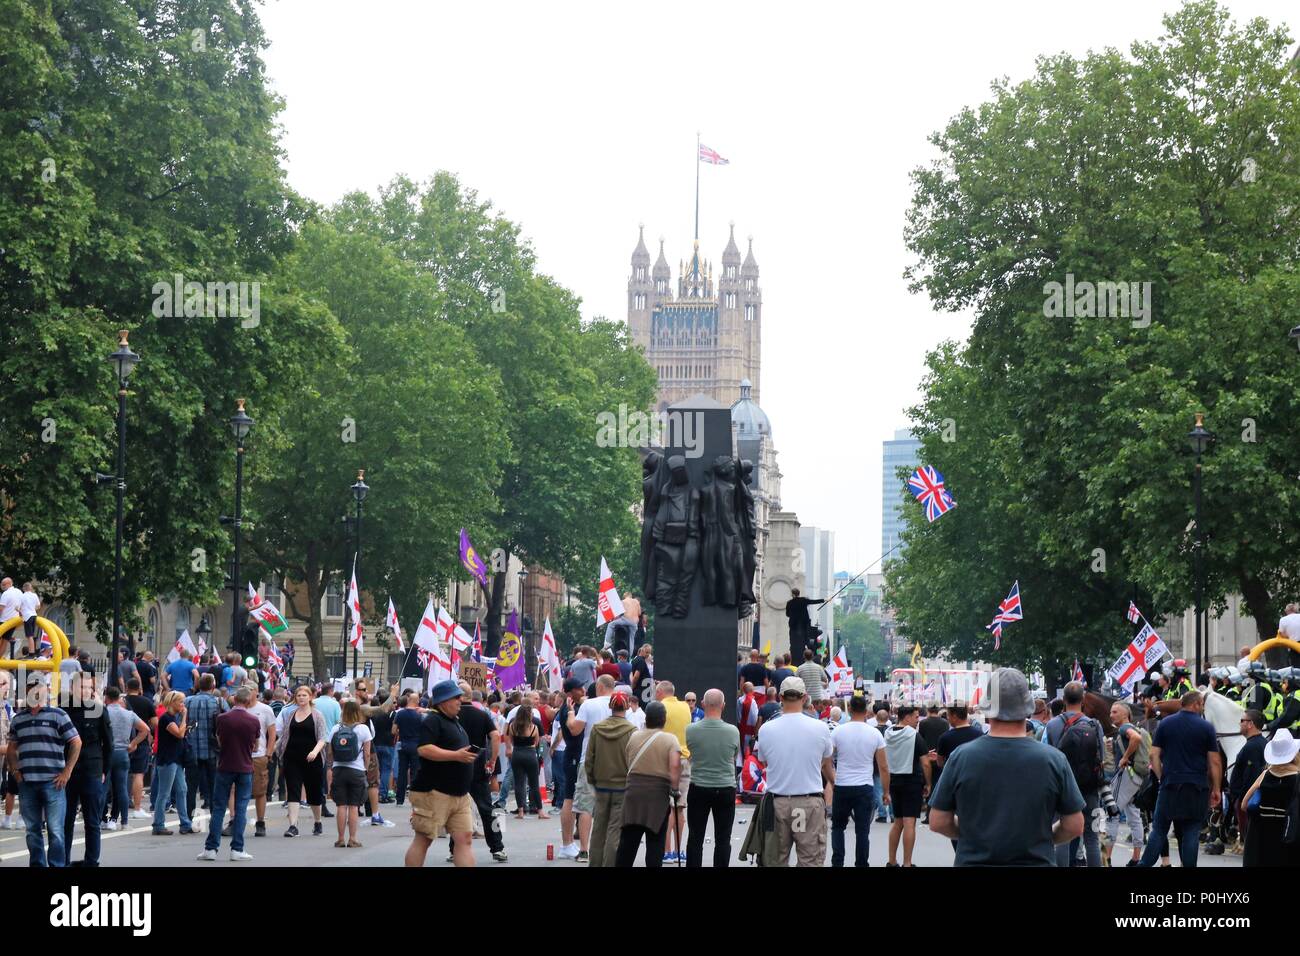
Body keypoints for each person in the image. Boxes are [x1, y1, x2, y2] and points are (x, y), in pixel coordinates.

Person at [929, 668, 1086, 865]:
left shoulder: (960, 757)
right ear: (1028, 709)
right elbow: (1074, 825)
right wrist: (1045, 838)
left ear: (987, 709)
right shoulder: (1054, 760)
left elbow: (938, 821)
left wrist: (972, 834)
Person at [753, 675, 834, 867]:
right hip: (809, 800)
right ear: (804, 697)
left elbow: (764, 761)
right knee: (810, 861)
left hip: (777, 802)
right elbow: (825, 761)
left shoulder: (766, 729)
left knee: (774, 861)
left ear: (780, 697)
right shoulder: (821, 728)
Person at [1139, 691, 1222, 867]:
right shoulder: (1206, 727)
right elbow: (1214, 761)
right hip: (1197, 786)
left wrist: (1162, 776)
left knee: (1159, 830)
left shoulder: (1165, 724)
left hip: (1170, 784)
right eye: (1202, 705)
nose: (1202, 708)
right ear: (1196, 704)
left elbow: (1153, 755)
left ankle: (1144, 864)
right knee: (1191, 831)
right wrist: (1216, 788)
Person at [6, 677, 82, 866]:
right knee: (32, 831)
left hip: (53, 782)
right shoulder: (18, 719)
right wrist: (15, 771)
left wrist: (67, 772)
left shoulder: (58, 715)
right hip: (27, 783)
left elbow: (76, 742)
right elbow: (11, 748)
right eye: (30, 689)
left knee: (55, 831)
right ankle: (37, 865)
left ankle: (56, 865)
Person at [404, 679, 478, 868]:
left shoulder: (453, 721)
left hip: (459, 794)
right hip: (434, 792)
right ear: (443, 701)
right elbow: (424, 749)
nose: (460, 701)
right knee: (423, 839)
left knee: (465, 839)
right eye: (456, 698)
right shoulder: (433, 720)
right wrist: (456, 755)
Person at [1045, 681, 1105, 867]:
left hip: (1061, 786)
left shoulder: (1052, 725)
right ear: (1083, 699)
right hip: (1089, 788)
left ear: (1063, 699)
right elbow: (1101, 757)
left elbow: (1046, 756)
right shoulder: (1094, 725)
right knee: (1091, 837)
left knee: (1061, 836)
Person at [446, 680, 507, 863]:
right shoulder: (482, 714)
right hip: (477, 764)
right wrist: (492, 760)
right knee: (487, 809)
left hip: (456, 765)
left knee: (457, 809)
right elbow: (495, 736)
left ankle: (454, 849)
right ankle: (498, 848)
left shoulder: (451, 714)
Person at [615, 700, 681, 867]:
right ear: (664, 719)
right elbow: (674, 766)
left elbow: (627, 760)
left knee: (627, 843)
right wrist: (675, 789)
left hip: (633, 793)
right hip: (657, 795)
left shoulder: (634, 736)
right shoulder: (670, 740)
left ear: (646, 719)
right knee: (655, 843)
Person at [197, 685, 261, 861]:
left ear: (234, 699)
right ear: (248, 701)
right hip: (245, 766)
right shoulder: (253, 720)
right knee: (241, 808)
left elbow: (219, 740)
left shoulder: (222, 718)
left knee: (218, 808)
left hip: (225, 765)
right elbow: (256, 746)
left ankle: (211, 848)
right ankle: (237, 849)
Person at [830, 694, 889, 867]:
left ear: (849, 710)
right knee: (862, 830)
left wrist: (832, 779)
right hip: (864, 786)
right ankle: (862, 863)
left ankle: (837, 862)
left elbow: (827, 759)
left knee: (838, 827)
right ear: (866, 711)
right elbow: (883, 766)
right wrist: (886, 792)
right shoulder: (875, 734)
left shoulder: (838, 731)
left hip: (842, 784)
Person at [684, 688, 740, 867]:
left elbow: (690, 753)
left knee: (695, 838)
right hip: (725, 788)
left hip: (699, 786)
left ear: (702, 704)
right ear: (723, 705)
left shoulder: (691, 730)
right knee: (723, 839)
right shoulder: (733, 731)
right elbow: (733, 756)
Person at [566, 672, 617, 864]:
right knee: (612, 806)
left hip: (589, 758)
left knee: (585, 805)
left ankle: (584, 850)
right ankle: (608, 849)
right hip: (614, 761)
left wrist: (571, 713)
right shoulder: (621, 704)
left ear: (599, 687)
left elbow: (575, 729)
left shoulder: (589, 705)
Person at [62, 672, 111, 866]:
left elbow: (108, 744)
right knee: (65, 820)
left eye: (89, 687)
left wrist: (104, 770)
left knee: (92, 821)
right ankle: (63, 861)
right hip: (67, 771)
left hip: (92, 769)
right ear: (71, 688)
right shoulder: (62, 710)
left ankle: (91, 862)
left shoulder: (99, 710)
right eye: (82, 687)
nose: (86, 691)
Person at [585, 690, 634, 867]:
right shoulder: (631, 731)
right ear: (627, 707)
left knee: (598, 830)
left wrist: (592, 780)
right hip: (622, 787)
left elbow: (589, 759)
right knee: (615, 831)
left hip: (601, 786)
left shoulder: (597, 729)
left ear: (610, 706)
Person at [273, 684, 327, 837]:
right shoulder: (291, 714)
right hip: (292, 758)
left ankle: (317, 821)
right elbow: (285, 735)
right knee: (293, 790)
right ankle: (293, 826)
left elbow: (323, 738)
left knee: (314, 793)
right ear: (295, 698)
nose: (301, 698)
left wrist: (315, 751)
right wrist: (274, 748)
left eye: (304, 695)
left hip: (312, 759)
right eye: (299, 695)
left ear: (310, 697)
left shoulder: (317, 715)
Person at [1242, 729, 1300, 867]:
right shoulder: (1297, 778)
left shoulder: (1265, 775)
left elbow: (1244, 804)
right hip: (1288, 835)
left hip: (1262, 836)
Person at [883, 705, 930, 867]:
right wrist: (928, 783)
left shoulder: (888, 733)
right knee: (909, 822)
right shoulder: (914, 735)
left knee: (898, 822)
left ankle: (891, 861)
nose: (918, 721)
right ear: (907, 717)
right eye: (916, 717)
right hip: (911, 781)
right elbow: (925, 763)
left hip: (894, 780)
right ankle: (907, 863)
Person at [1105, 701, 1149, 866]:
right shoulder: (1131, 728)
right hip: (1136, 778)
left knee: (1112, 813)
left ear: (1125, 714)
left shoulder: (1124, 728)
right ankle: (1136, 858)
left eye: (1115, 712)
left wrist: (1124, 757)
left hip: (1125, 777)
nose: (1111, 715)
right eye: (1111, 712)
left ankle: (1106, 859)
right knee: (1134, 816)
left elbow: (1136, 738)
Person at [655, 679, 692, 862]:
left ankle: (666, 851)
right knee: (680, 808)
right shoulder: (686, 706)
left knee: (667, 808)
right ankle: (678, 851)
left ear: (660, 692)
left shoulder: (660, 707)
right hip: (684, 759)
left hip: (666, 759)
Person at [327, 699, 372, 849]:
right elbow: (367, 753)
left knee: (341, 805)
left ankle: (340, 839)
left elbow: (330, 751)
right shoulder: (363, 729)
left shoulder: (336, 728)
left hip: (339, 769)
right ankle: (352, 839)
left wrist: (332, 765)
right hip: (357, 770)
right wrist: (365, 768)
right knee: (353, 806)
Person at [103, 686, 148, 832]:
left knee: (103, 787)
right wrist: (133, 743)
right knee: (121, 788)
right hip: (123, 752)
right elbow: (145, 729)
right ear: (119, 698)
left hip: (106, 753)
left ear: (107, 698)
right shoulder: (129, 714)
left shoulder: (103, 712)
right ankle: (124, 822)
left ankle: (100, 819)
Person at [152, 690, 195, 836]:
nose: (183, 705)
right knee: (164, 793)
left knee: (182, 790)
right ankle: (158, 824)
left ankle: (185, 823)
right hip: (167, 759)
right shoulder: (166, 718)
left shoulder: (173, 717)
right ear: (172, 702)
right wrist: (184, 717)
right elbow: (179, 734)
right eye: (180, 702)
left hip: (176, 759)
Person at [183, 673, 226, 819]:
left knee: (190, 786)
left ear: (198, 686)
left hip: (191, 749)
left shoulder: (187, 701)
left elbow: (180, 722)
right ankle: (215, 819)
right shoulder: (219, 702)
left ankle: (188, 819)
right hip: (213, 750)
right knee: (215, 785)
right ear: (213, 686)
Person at [554, 678, 587, 861]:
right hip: (573, 756)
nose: (583, 690)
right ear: (569, 693)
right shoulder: (569, 709)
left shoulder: (573, 707)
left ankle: (569, 843)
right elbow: (573, 729)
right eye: (578, 688)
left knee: (573, 799)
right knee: (570, 799)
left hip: (573, 755)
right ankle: (566, 844)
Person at [1229, 709, 1268, 845]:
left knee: (1249, 840)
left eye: (1242, 721)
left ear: (1250, 724)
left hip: (1247, 801)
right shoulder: (1259, 743)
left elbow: (1251, 776)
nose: (1240, 723)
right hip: (1248, 799)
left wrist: (1241, 798)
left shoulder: (1253, 746)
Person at [244, 682, 278, 838]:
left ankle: (260, 822)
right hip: (241, 755)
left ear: (256, 692)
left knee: (259, 791)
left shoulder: (265, 709)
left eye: (249, 690)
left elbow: (272, 733)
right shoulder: (239, 707)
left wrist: (269, 753)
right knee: (235, 790)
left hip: (259, 755)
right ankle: (235, 820)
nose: (246, 693)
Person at [505, 698, 548, 820]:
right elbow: (537, 742)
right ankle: (540, 811)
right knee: (534, 784)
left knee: (519, 784)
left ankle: (520, 811)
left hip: (517, 754)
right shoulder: (533, 727)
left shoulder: (512, 726)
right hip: (530, 754)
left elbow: (511, 740)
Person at [123, 678, 155, 820]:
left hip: (124, 740)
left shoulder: (123, 702)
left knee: (122, 774)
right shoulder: (146, 702)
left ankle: (122, 805)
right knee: (138, 774)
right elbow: (154, 722)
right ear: (139, 688)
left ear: (127, 687)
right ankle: (137, 808)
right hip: (141, 741)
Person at [392, 690, 424, 806]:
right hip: (416, 745)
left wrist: (401, 731)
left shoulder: (400, 714)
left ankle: (399, 798)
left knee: (402, 771)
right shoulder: (419, 715)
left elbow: (393, 730)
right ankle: (415, 798)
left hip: (403, 744)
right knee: (415, 772)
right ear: (417, 701)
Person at [784, 588, 826, 660]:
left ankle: (794, 653)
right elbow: (813, 601)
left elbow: (787, 614)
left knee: (793, 642)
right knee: (805, 640)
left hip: (794, 626)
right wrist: (823, 600)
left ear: (792, 594)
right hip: (804, 625)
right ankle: (805, 649)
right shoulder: (803, 600)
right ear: (799, 593)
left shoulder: (789, 603)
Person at [0, 578, 24, 656]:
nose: (2, 586)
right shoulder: (19, 592)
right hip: (13, 621)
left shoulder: (6, 593)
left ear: (9, 584)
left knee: (3, 640)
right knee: (5, 641)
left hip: (4, 621)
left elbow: (1, 608)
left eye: (3, 584)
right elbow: (22, 605)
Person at [19, 583, 40, 656]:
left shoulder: (22, 596)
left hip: (27, 616)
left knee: (29, 636)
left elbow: (18, 607)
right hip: (34, 615)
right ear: (30, 588)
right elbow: (38, 606)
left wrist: (20, 612)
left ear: (23, 588)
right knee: (31, 635)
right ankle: (32, 651)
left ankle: (31, 652)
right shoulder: (34, 595)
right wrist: (32, 609)